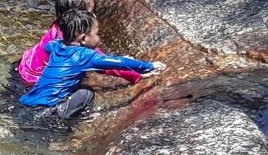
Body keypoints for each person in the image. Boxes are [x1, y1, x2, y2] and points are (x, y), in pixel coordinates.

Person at [16, 6, 160, 120]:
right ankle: (83, 118)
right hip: (50, 110)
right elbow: (119, 62)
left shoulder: (56, 46)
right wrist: (149, 66)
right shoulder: (86, 55)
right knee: (86, 93)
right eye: (96, 33)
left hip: (28, 102)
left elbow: (47, 46)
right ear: (83, 38)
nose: (98, 38)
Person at [16, 0, 147, 95]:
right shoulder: (74, 42)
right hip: (34, 81)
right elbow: (103, 65)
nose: (94, 17)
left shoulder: (60, 27)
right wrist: (136, 75)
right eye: (89, 13)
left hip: (24, 64)